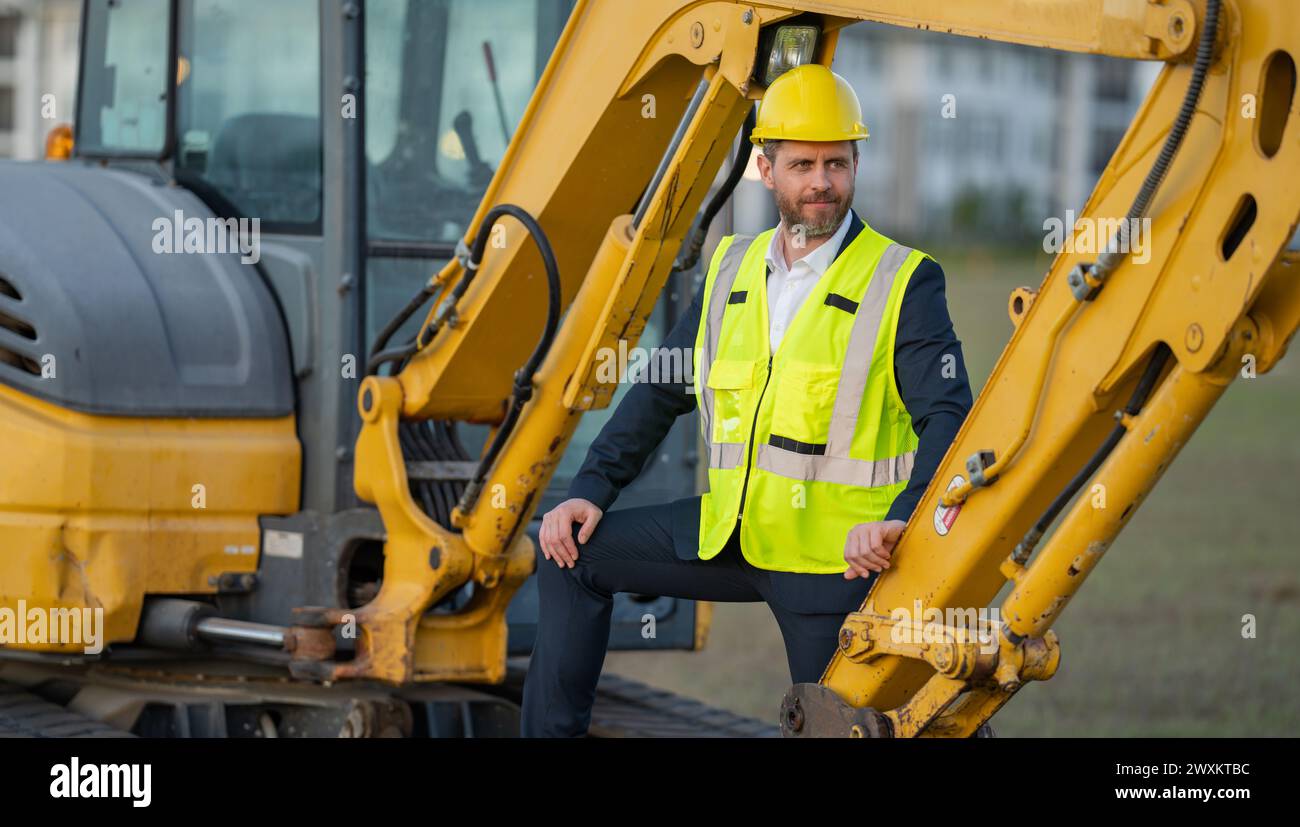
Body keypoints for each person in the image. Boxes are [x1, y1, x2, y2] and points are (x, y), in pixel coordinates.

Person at [521, 64, 972, 737]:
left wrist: (901, 518)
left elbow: (948, 415)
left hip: (834, 563)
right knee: (569, 551)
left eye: (837, 163)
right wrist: (592, 486)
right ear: (765, 169)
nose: (822, 181)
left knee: (841, 729)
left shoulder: (903, 279)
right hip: (727, 534)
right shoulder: (731, 268)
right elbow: (660, 387)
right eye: (802, 164)